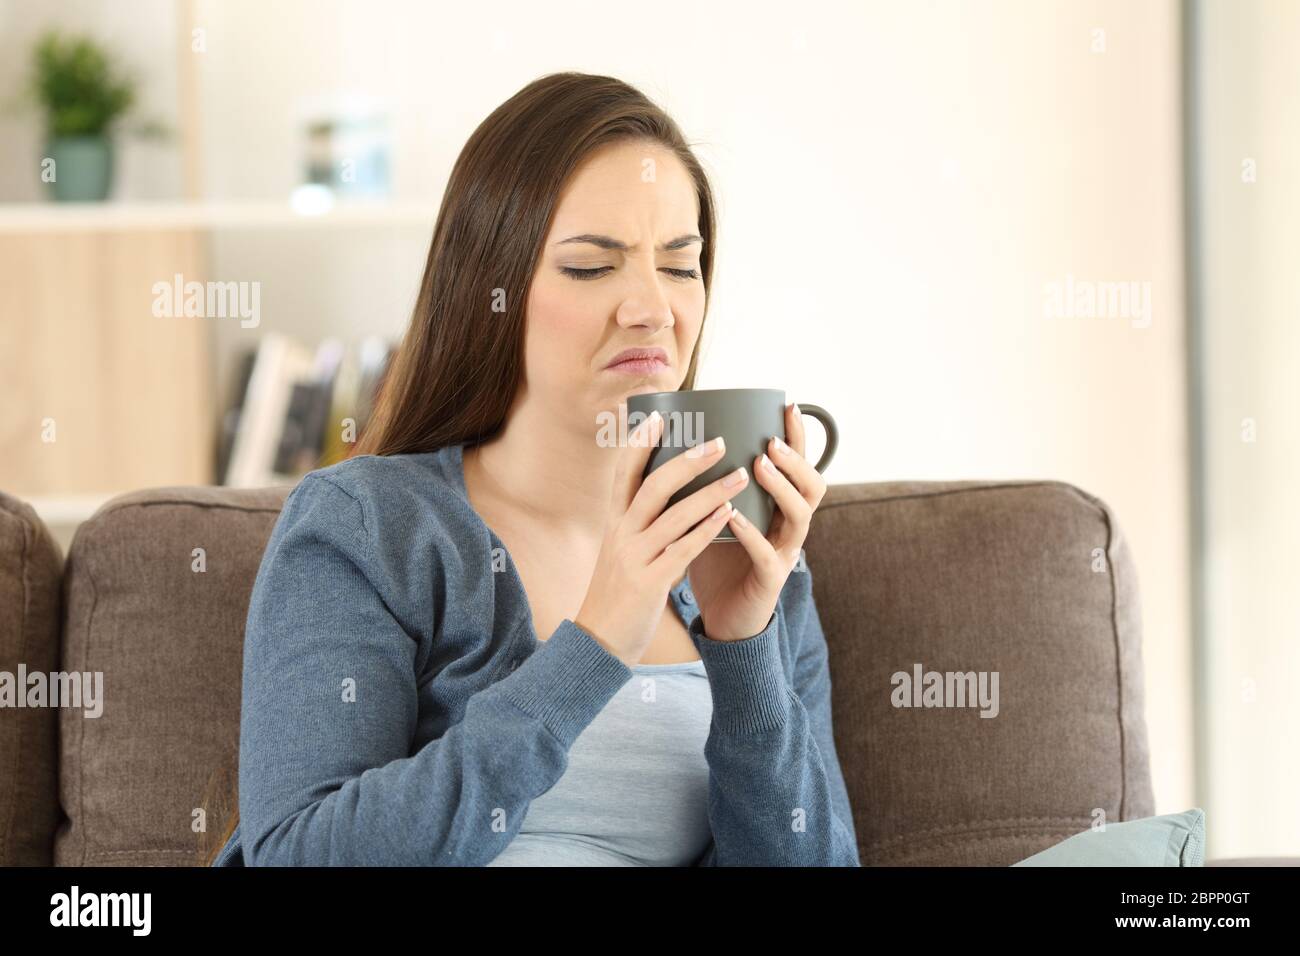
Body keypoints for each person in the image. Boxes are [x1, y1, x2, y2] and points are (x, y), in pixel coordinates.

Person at [207, 71, 858, 866]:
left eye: (680, 265)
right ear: (492, 289)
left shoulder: (760, 569)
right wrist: (597, 642)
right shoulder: (370, 526)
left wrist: (745, 645)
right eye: (592, 267)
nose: (653, 307)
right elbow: (299, 856)